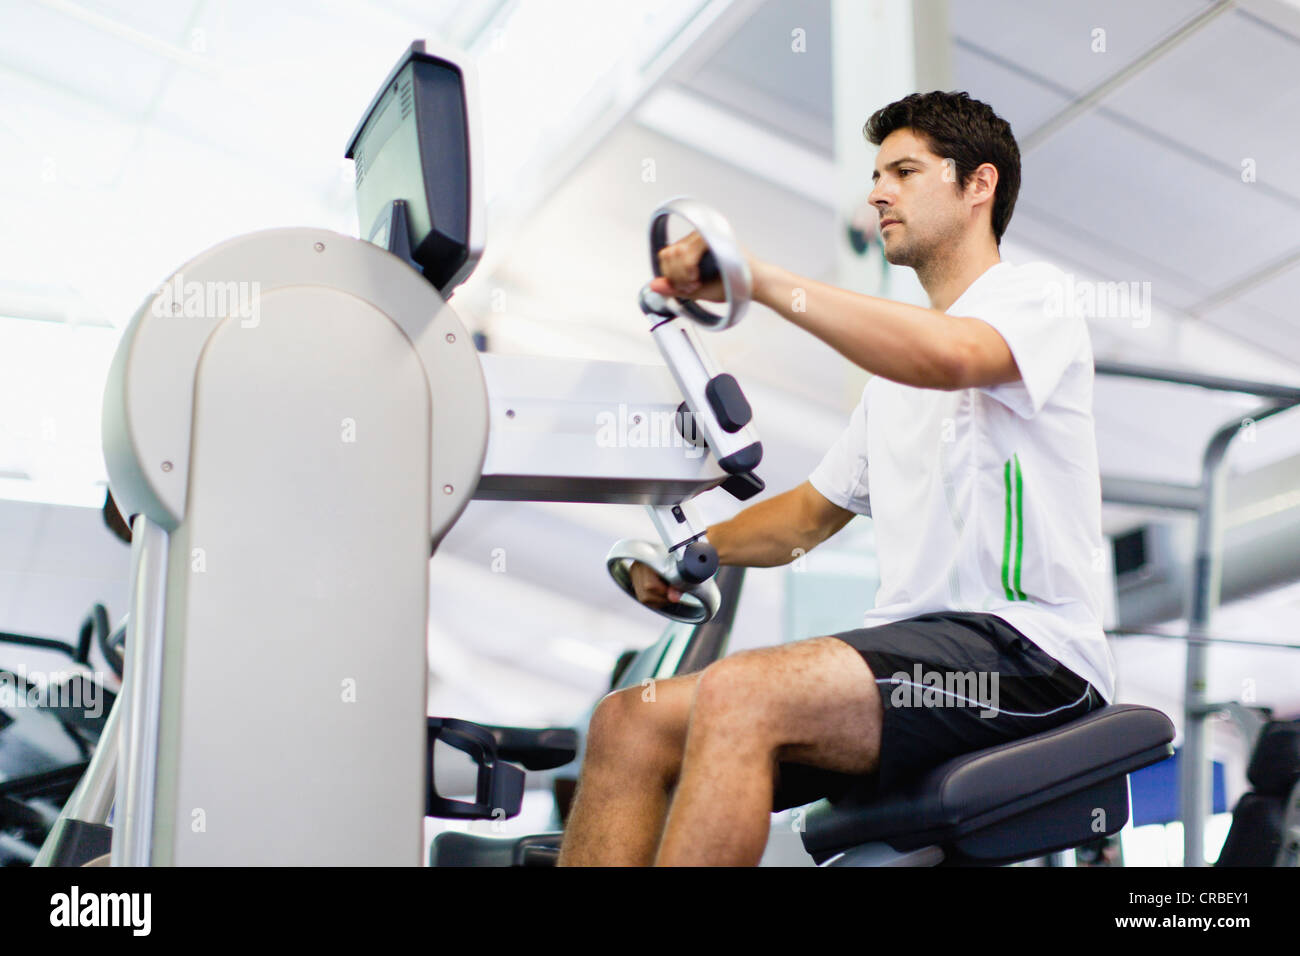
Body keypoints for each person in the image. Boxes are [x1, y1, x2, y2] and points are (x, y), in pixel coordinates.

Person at [556, 90, 1115, 867]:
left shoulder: (1034, 301)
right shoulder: (890, 387)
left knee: (740, 690)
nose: (877, 192)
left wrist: (756, 279)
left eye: (905, 171)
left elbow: (950, 356)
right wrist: (691, 554)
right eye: (876, 174)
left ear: (978, 184)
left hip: (1026, 658)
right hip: (916, 659)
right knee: (629, 722)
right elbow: (805, 519)